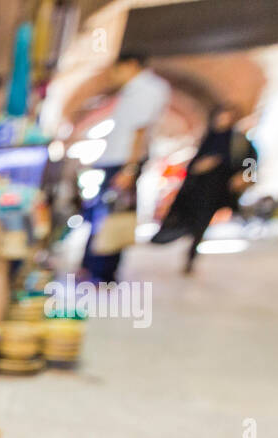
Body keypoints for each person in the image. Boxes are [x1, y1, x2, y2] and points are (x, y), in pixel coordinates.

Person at [80, 52, 171, 283]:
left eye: (117, 69)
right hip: (117, 162)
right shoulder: (135, 90)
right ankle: (92, 267)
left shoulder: (147, 89)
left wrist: (129, 170)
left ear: (131, 65)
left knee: (112, 218)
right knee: (102, 216)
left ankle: (103, 273)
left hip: (123, 165)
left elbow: (139, 131)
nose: (113, 76)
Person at [153, 105, 256, 273]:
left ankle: (191, 254)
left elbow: (250, 164)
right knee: (187, 218)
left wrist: (243, 178)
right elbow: (193, 164)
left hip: (217, 191)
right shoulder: (209, 138)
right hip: (197, 189)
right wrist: (201, 166)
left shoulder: (239, 142)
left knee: (201, 223)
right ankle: (177, 236)